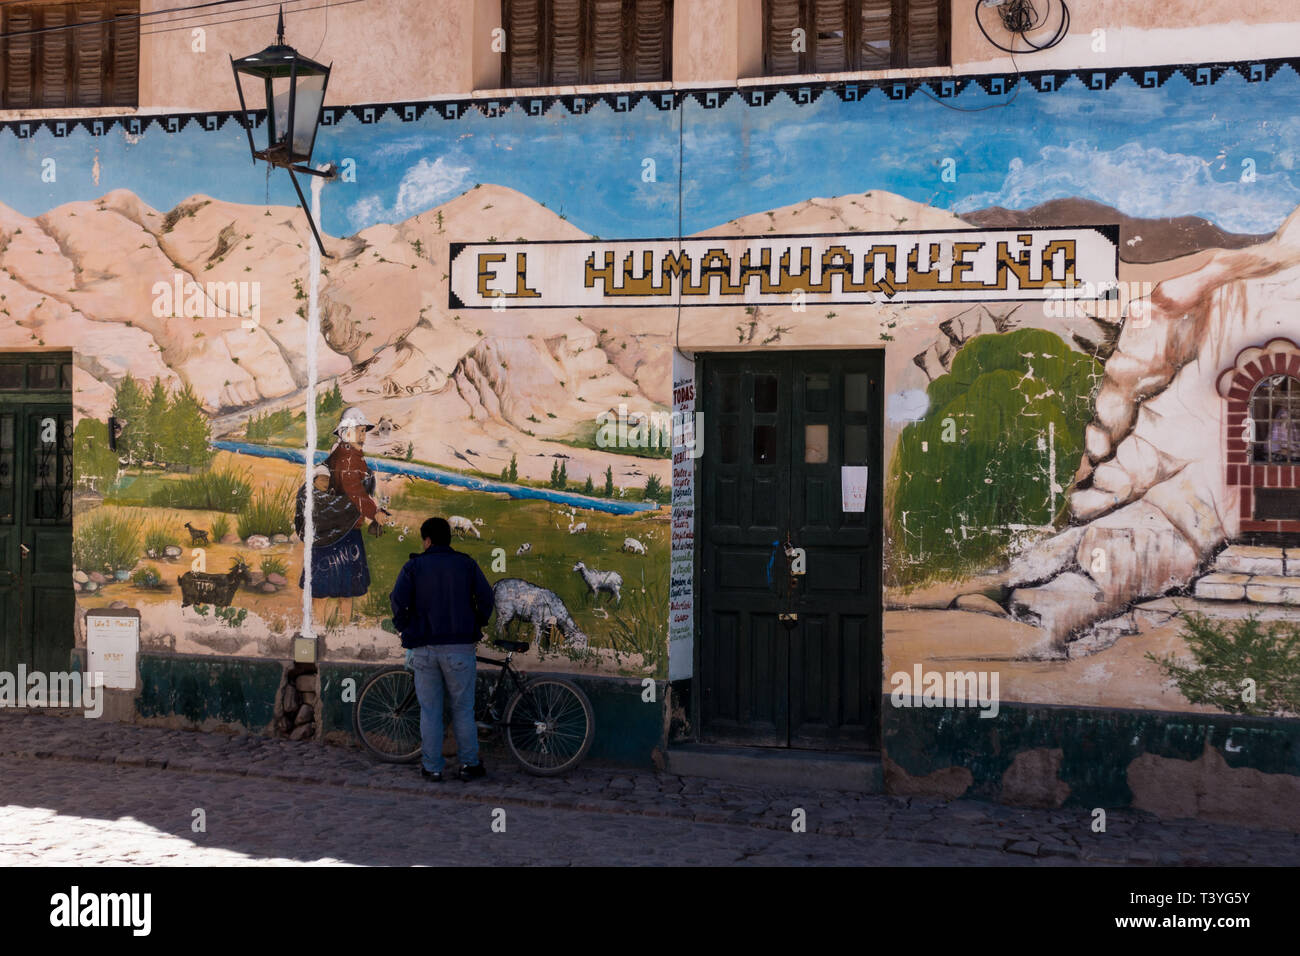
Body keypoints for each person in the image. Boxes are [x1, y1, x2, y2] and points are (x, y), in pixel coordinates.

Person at [389, 516, 496, 783]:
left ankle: (432, 767)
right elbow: (486, 597)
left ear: (427, 540)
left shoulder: (414, 566)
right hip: (460, 648)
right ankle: (469, 764)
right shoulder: (466, 564)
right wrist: (476, 621)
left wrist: (405, 627)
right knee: (463, 710)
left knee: (430, 711)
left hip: (424, 648)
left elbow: (397, 600)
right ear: (449, 538)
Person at [316, 405, 390, 621]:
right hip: (342, 532)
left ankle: (324, 628)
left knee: (327, 587)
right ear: (344, 433)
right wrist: (374, 513)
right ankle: (338, 630)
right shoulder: (348, 457)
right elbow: (354, 490)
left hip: (332, 530)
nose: (362, 435)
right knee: (341, 589)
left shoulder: (347, 455)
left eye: (363, 430)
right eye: (357, 430)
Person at [296, 464, 361, 627]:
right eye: (323, 479)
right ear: (314, 480)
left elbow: (353, 513)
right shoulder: (307, 496)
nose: (326, 483)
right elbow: (302, 523)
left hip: (341, 550)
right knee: (319, 593)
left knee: (345, 592)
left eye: (328, 480)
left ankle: (345, 628)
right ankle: (318, 627)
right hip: (320, 551)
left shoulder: (338, 497)